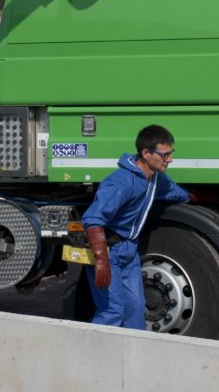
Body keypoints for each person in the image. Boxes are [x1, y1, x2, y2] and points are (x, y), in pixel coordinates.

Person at [81, 124, 189, 329]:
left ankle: (134, 350)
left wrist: (200, 197)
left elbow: (177, 193)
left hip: (129, 251)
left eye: (171, 154)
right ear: (146, 154)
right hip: (108, 251)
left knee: (136, 308)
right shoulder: (120, 182)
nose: (170, 160)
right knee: (113, 310)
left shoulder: (156, 180)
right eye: (165, 155)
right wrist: (101, 260)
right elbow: (93, 220)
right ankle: (95, 348)